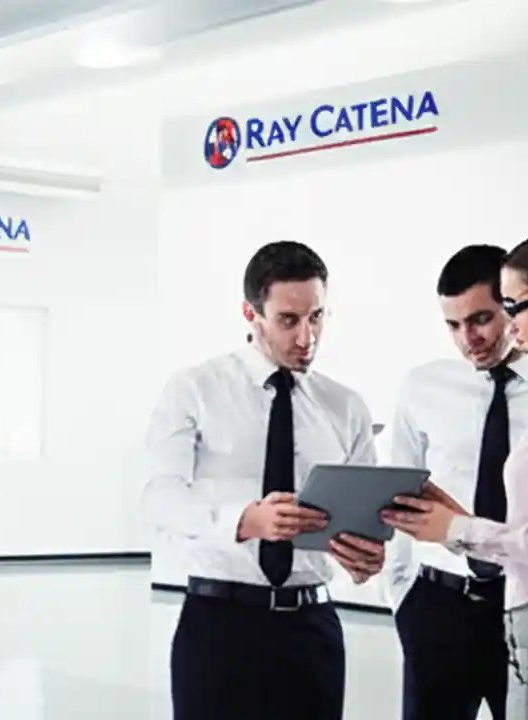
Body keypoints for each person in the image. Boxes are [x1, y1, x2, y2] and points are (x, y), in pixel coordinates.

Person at [144, 240, 384, 720]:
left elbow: (367, 516)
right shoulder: (195, 389)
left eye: (317, 317)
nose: (306, 337)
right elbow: (159, 497)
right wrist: (246, 520)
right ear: (250, 314)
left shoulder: (346, 406)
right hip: (219, 624)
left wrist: (367, 558)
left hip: (312, 625)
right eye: (288, 320)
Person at [384, 229, 528, 720]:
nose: (472, 338)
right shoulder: (424, 386)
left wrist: (462, 530)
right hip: (443, 606)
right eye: (454, 325)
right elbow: (398, 492)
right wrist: (403, 599)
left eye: (487, 316)